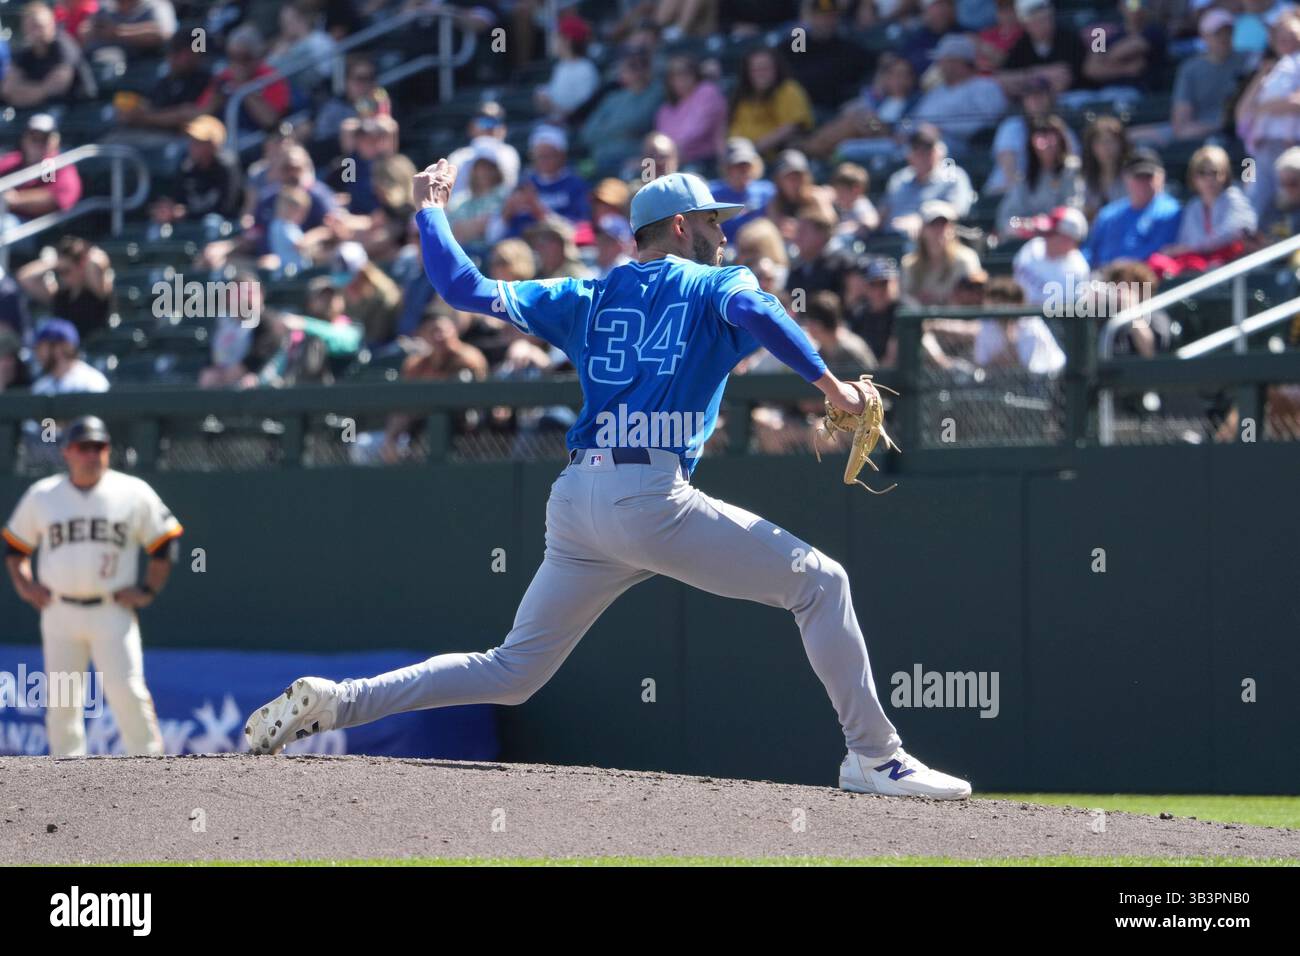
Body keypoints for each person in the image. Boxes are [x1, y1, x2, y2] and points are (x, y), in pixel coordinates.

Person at [245, 159, 973, 802]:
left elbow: (460, 287)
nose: (725, 233)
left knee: (512, 670)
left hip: (579, 501)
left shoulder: (585, 296)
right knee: (823, 584)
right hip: (649, 497)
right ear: (682, 226)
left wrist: (429, 209)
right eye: (716, 221)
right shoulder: (718, 281)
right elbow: (755, 308)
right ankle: (876, 758)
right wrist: (830, 383)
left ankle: (338, 702)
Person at [3, 416, 182, 757]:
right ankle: (67, 783)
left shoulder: (131, 492)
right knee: (62, 703)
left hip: (111, 612)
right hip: (60, 613)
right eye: (84, 447)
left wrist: (148, 590)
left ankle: (152, 772)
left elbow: (166, 544)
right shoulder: (44, 495)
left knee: (128, 693)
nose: (92, 454)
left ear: (108, 451)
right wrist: (25, 586)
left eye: (98, 447)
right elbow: (14, 547)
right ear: (67, 452)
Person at [1149, 144, 1257, 277]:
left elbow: (1234, 231)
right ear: (1193, 177)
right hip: (1198, 262)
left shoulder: (1234, 198)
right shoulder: (1193, 206)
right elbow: (1185, 240)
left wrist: (1191, 248)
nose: (1208, 178)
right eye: (1202, 173)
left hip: (1228, 262)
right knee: (1157, 262)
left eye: (1214, 172)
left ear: (1225, 174)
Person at [909, 34, 1008, 155]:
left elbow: (988, 123)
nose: (938, 66)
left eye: (942, 61)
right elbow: (915, 119)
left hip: (958, 148)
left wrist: (942, 129)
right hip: (918, 142)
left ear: (958, 62)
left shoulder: (985, 86)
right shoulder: (936, 91)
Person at [1083, 147, 1182, 268]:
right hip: (1103, 278)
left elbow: (1158, 251)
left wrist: (1120, 267)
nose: (1144, 182)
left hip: (1145, 281)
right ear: (1126, 178)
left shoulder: (1170, 212)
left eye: (1149, 176)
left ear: (1161, 177)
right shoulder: (1108, 214)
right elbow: (1089, 252)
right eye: (1138, 177)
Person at [879, 126, 975, 239]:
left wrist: (922, 221)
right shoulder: (899, 178)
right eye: (916, 148)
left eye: (928, 149)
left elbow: (957, 210)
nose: (922, 155)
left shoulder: (954, 176)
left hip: (933, 241)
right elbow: (883, 213)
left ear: (940, 151)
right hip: (891, 239)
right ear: (909, 154)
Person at [995, 114, 1084, 235]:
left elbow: (1074, 210)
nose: (1046, 143)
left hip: (1063, 238)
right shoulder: (1024, 177)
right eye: (1041, 136)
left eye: (1051, 136)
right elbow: (1006, 218)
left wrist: (1049, 223)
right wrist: (1025, 225)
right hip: (1029, 240)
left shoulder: (1072, 170)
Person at [0, 115, 84, 241]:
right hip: (9, 218)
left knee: (4, 225)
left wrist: (14, 199)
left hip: (39, 230)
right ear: (24, 139)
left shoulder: (50, 164)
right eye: (34, 137)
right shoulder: (14, 161)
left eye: (44, 139)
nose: (38, 143)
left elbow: (54, 198)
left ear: (55, 141)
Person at [580, 49, 663, 176]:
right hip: (601, 158)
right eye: (630, 67)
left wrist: (608, 127)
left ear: (647, 69)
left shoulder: (656, 93)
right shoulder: (613, 98)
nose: (635, 72)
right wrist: (617, 130)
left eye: (638, 66)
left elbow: (636, 122)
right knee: (582, 172)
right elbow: (588, 132)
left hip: (636, 159)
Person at [17, 237, 114, 341]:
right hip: (63, 351)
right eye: (59, 272)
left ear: (81, 266)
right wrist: (52, 263)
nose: (62, 276)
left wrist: (82, 253)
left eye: (66, 270)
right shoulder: (60, 295)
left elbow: (95, 262)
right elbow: (24, 278)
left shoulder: (97, 290)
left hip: (95, 349)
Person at [1, 1, 94, 107]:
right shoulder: (24, 53)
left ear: (51, 24)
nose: (35, 32)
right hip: (31, 109)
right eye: (30, 27)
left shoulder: (64, 46)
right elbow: (8, 89)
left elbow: (58, 86)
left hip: (72, 109)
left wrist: (24, 93)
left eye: (39, 26)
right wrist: (41, 90)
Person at [728, 46, 815, 157]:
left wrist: (753, 150)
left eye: (765, 68)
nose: (760, 74)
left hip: (774, 160)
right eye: (755, 70)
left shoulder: (788, 89)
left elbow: (791, 127)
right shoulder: (742, 95)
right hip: (737, 158)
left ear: (776, 69)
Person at [900, 200, 984, 306]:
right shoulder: (909, 264)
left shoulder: (967, 259)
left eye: (944, 224)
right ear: (923, 230)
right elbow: (905, 299)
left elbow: (973, 299)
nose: (939, 230)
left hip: (959, 321)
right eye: (933, 224)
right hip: (921, 322)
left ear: (952, 229)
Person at [654, 56, 727, 167]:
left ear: (695, 75)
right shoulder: (665, 109)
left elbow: (698, 131)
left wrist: (670, 152)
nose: (681, 79)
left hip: (704, 160)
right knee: (644, 170)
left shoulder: (707, 92)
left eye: (685, 74)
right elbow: (661, 140)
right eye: (675, 76)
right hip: (672, 161)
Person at [1011, 205, 1091, 307]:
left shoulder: (1078, 271)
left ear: (1069, 240)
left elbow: (1067, 316)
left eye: (1052, 233)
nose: (1046, 236)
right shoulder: (1032, 246)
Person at [708, 138, 776, 243]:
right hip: (725, 251)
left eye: (747, 165)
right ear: (727, 168)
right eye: (738, 165)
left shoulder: (767, 191)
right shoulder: (712, 193)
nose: (744, 170)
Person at [30, 318, 108, 395]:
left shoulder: (91, 382)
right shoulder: (40, 388)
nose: (37, 353)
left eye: (40, 347)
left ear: (58, 349)